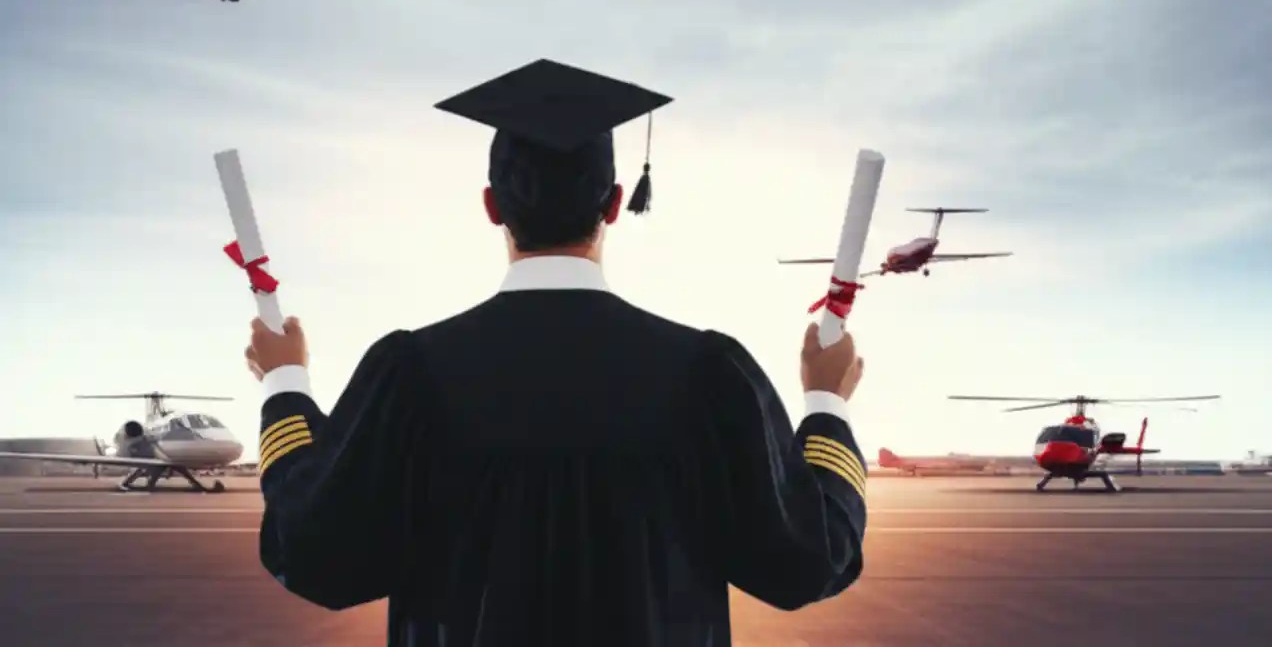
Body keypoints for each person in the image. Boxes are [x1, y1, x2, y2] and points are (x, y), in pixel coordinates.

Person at [243, 58, 869, 646]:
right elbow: (806, 563)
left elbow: (316, 553)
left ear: (491, 208)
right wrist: (825, 403)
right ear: (616, 204)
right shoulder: (706, 373)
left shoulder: (411, 373)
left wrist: (285, 383)